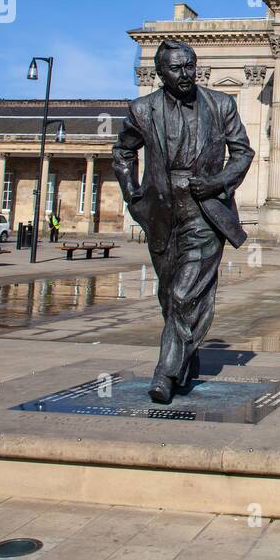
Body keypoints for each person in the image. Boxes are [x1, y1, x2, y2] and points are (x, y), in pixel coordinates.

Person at [112, 40, 254, 403]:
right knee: (168, 294)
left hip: (205, 210)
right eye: (177, 68)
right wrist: (132, 195)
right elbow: (123, 152)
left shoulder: (221, 104)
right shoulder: (142, 109)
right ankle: (186, 356)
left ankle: (165, 373)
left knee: (183, 293)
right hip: (161, 212)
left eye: (190, 66)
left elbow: (243, 152)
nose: (186, 73)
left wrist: (218, 182)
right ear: (159, 72)